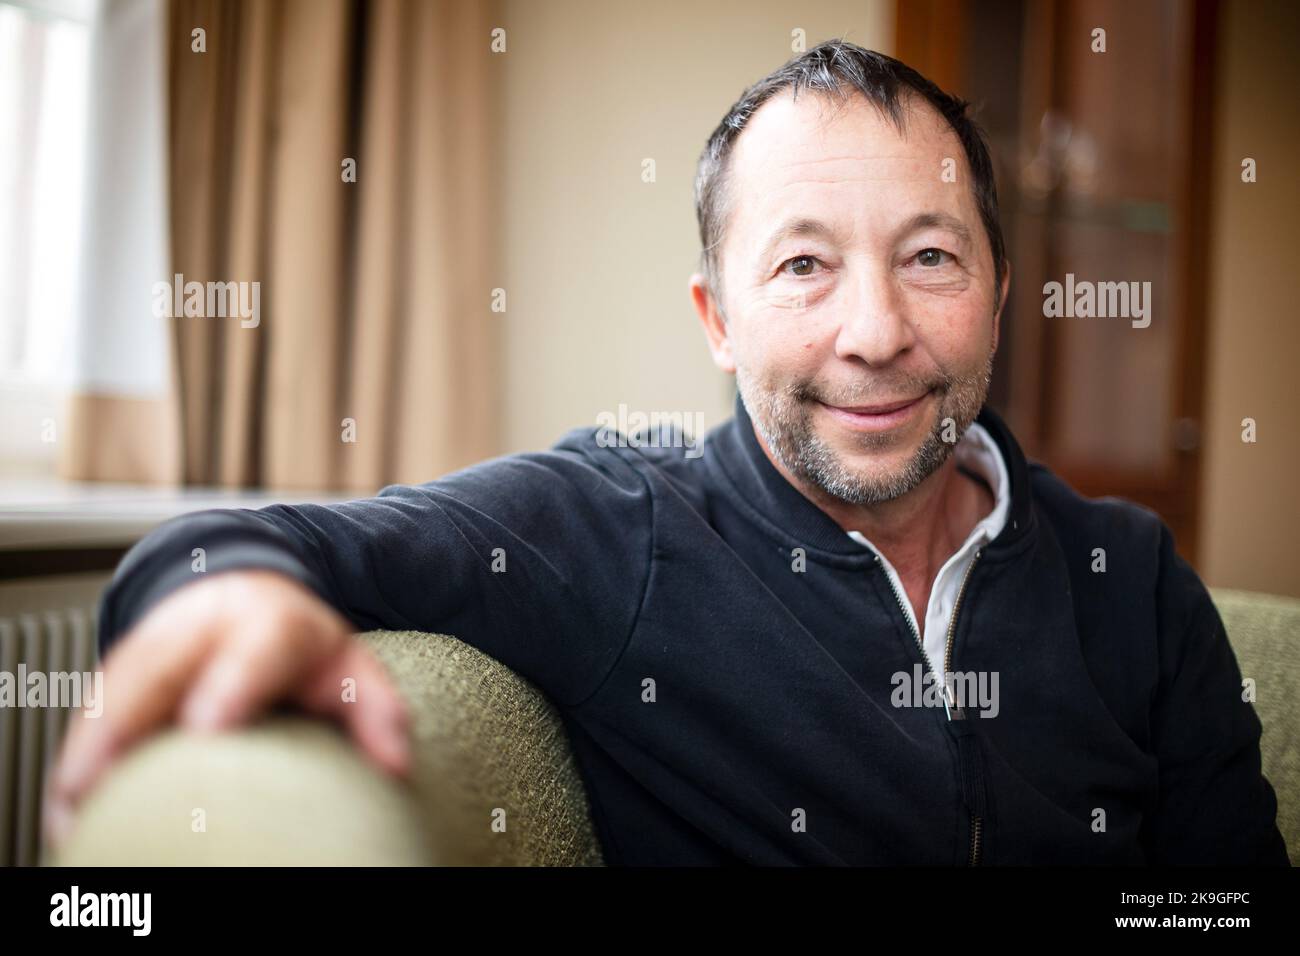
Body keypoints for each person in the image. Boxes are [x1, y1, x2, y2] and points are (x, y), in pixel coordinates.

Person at [45, 40, 1288, 865]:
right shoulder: (617, 528)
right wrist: (230, 593)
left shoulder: (1129, 572)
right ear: (715, 318)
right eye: (802, 265)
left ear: (1000, 291)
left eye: (930, 257)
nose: (875, 333)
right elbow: (247, 542)